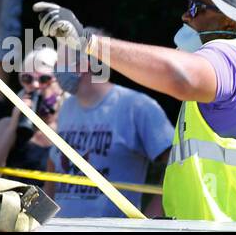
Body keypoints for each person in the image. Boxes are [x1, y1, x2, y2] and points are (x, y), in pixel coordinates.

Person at [34, 0, 236, 225]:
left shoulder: (231, 55)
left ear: (233, 22)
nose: (185, 15)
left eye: (197, 7)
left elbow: (182, 78)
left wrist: (87, 42)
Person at [45, 29, 173, 218]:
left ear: (83, 63)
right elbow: (53, 169)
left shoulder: (137, 107)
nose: (56, 67)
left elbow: (177, 165)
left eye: (62, 58)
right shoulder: (65, 107)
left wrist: (152, 220)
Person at [0, 48, 62, 171]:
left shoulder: (71, 124)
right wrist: (12, 127)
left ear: (60, 82)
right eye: (27, 78)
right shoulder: (7, 124)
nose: (35, 85)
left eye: (44, 79)